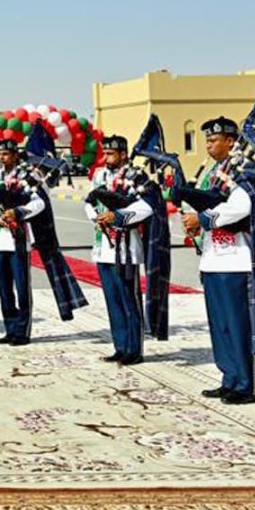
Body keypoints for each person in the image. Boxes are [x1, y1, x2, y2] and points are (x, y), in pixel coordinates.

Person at [180, 118, 255, 404]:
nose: (209, 145)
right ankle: (230, 377)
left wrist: (202, 219)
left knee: (239, 324)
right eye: (207, 140)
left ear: (231, 140)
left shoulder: (245, 169)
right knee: (221, 325)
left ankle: (247, 383)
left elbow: (241, 206)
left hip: (238, 260)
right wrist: (195, 222)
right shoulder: (212, 172)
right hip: (214, 259)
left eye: (214, 140)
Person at [85, 136, 153, 365]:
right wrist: (97, 217)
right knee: (112, 300)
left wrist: (118, 217)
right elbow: (89, 201)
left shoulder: (137, 176)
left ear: (123, 154)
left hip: (126, 247)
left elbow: (146, 207)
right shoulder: (99, 176)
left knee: (128, 299)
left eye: (111, 154)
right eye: (104, 153)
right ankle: (120, 346)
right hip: (103, 245)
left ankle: (134, 349)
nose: (106, 158)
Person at [0, 139, 42, 346]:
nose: (1, 158)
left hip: (19, 238)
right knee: (4, 287)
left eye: (6, 154)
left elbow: (38, 202)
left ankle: (22, 331)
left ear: (15, 155)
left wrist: (18, 212)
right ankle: (10, 328)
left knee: (22, 287)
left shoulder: (27, 177)